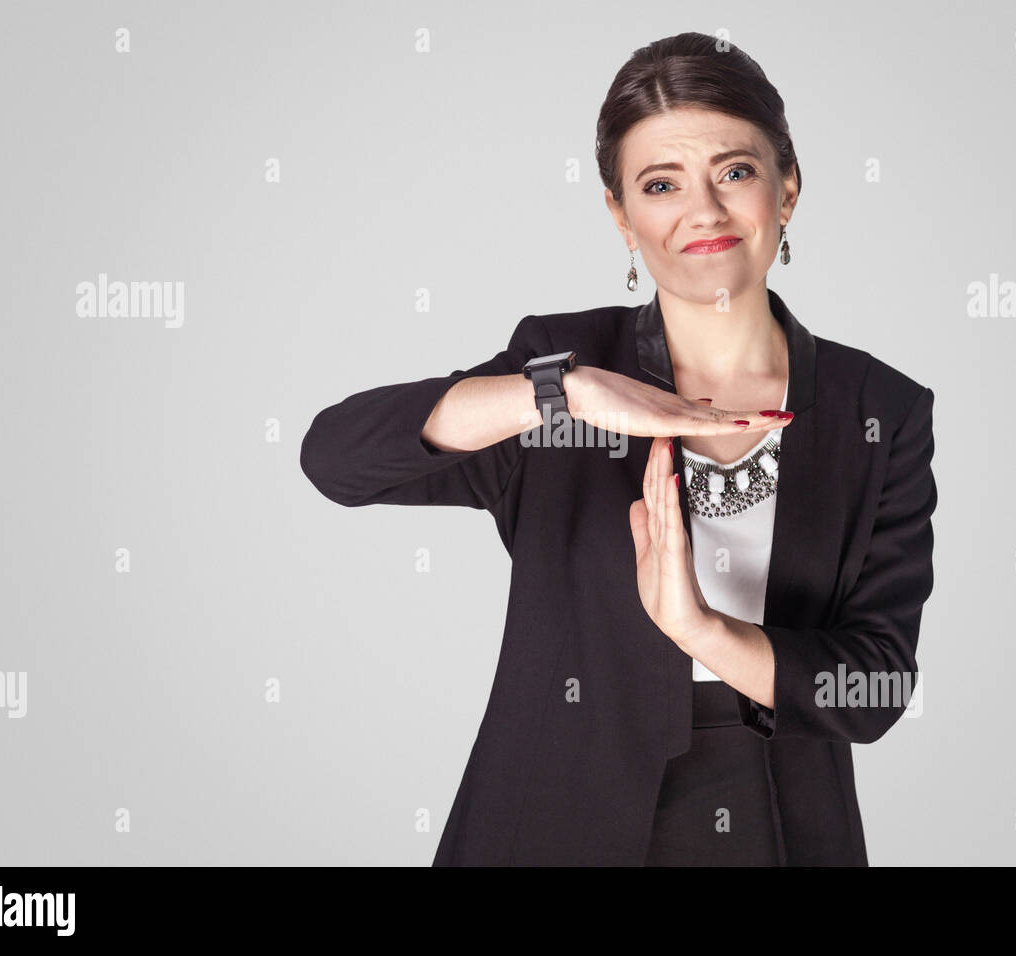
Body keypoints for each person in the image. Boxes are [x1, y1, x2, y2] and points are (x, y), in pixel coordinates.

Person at [299, 31, 937, 866]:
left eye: (735, 172)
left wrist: (699, 629)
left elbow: (875, 690)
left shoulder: (879, 408)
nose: (702, 211)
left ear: (787, 191)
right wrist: (558, 391)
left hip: (779, 820)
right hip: (551, 814)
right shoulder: (562, 362)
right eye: (661, 184)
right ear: (621, 217)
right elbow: (334, 459)